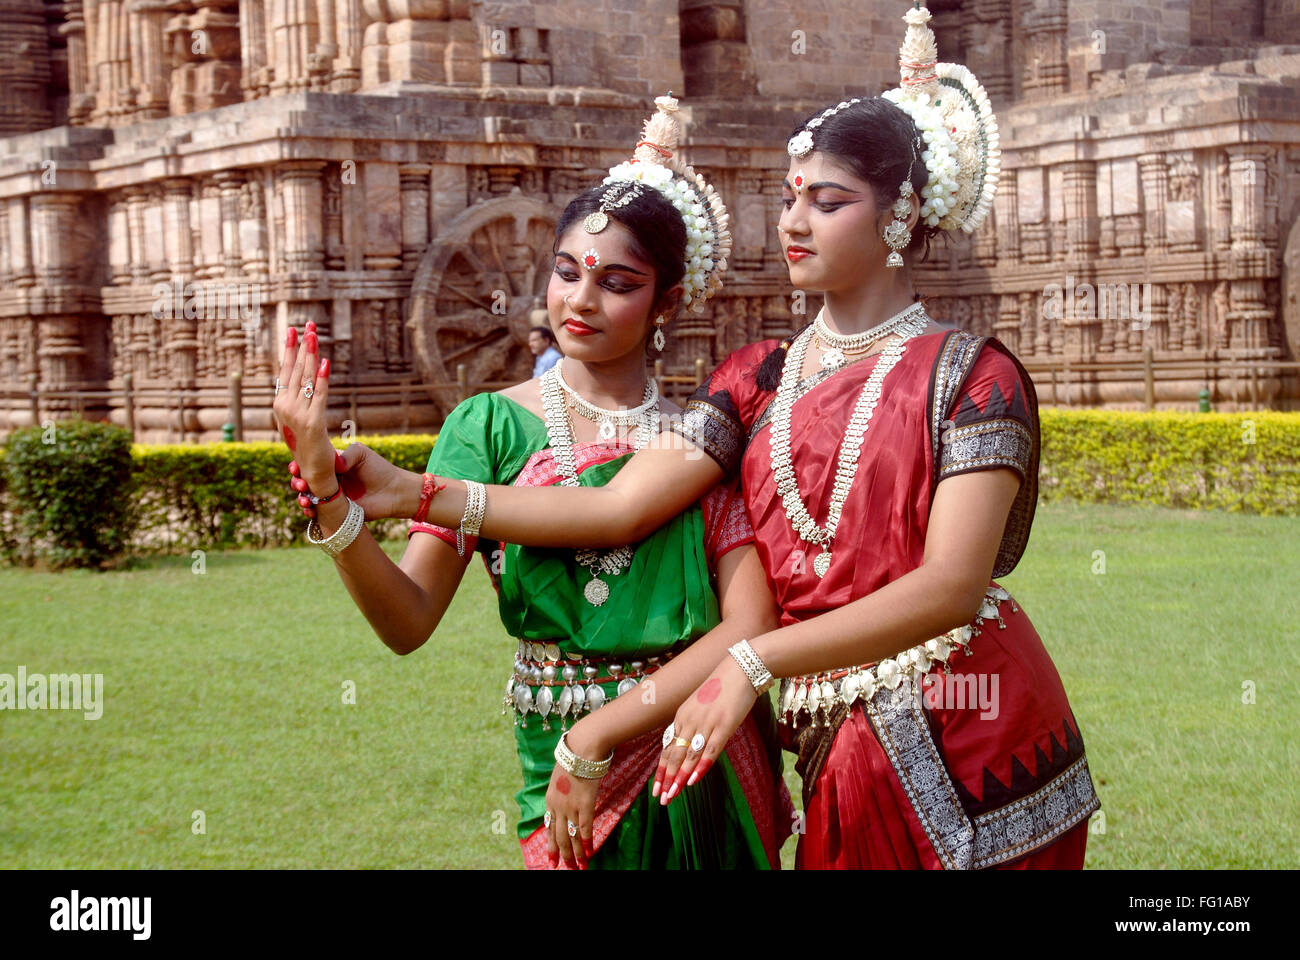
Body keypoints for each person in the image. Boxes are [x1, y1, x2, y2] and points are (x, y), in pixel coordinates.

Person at [295, 5, 1101, 869]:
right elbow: (618, 510)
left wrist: (750, 662)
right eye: (789, 198)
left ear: (900, 215)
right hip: (834, 743)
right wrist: (407, 493)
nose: (793, 223)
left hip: (982, 739)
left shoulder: (975, 376)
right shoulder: (753, 381)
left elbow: (949, 587)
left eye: (827, 202)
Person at [272, 97, 793, 870]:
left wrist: (603, 732)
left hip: (696, 757)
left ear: (667, 303)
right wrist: (328, 496)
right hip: (554, 759)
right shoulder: (489, 428)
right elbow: (407, 621)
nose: (580, 300)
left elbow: (749, 623)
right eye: (566, 272)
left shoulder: (701, 439)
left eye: (617, 282)